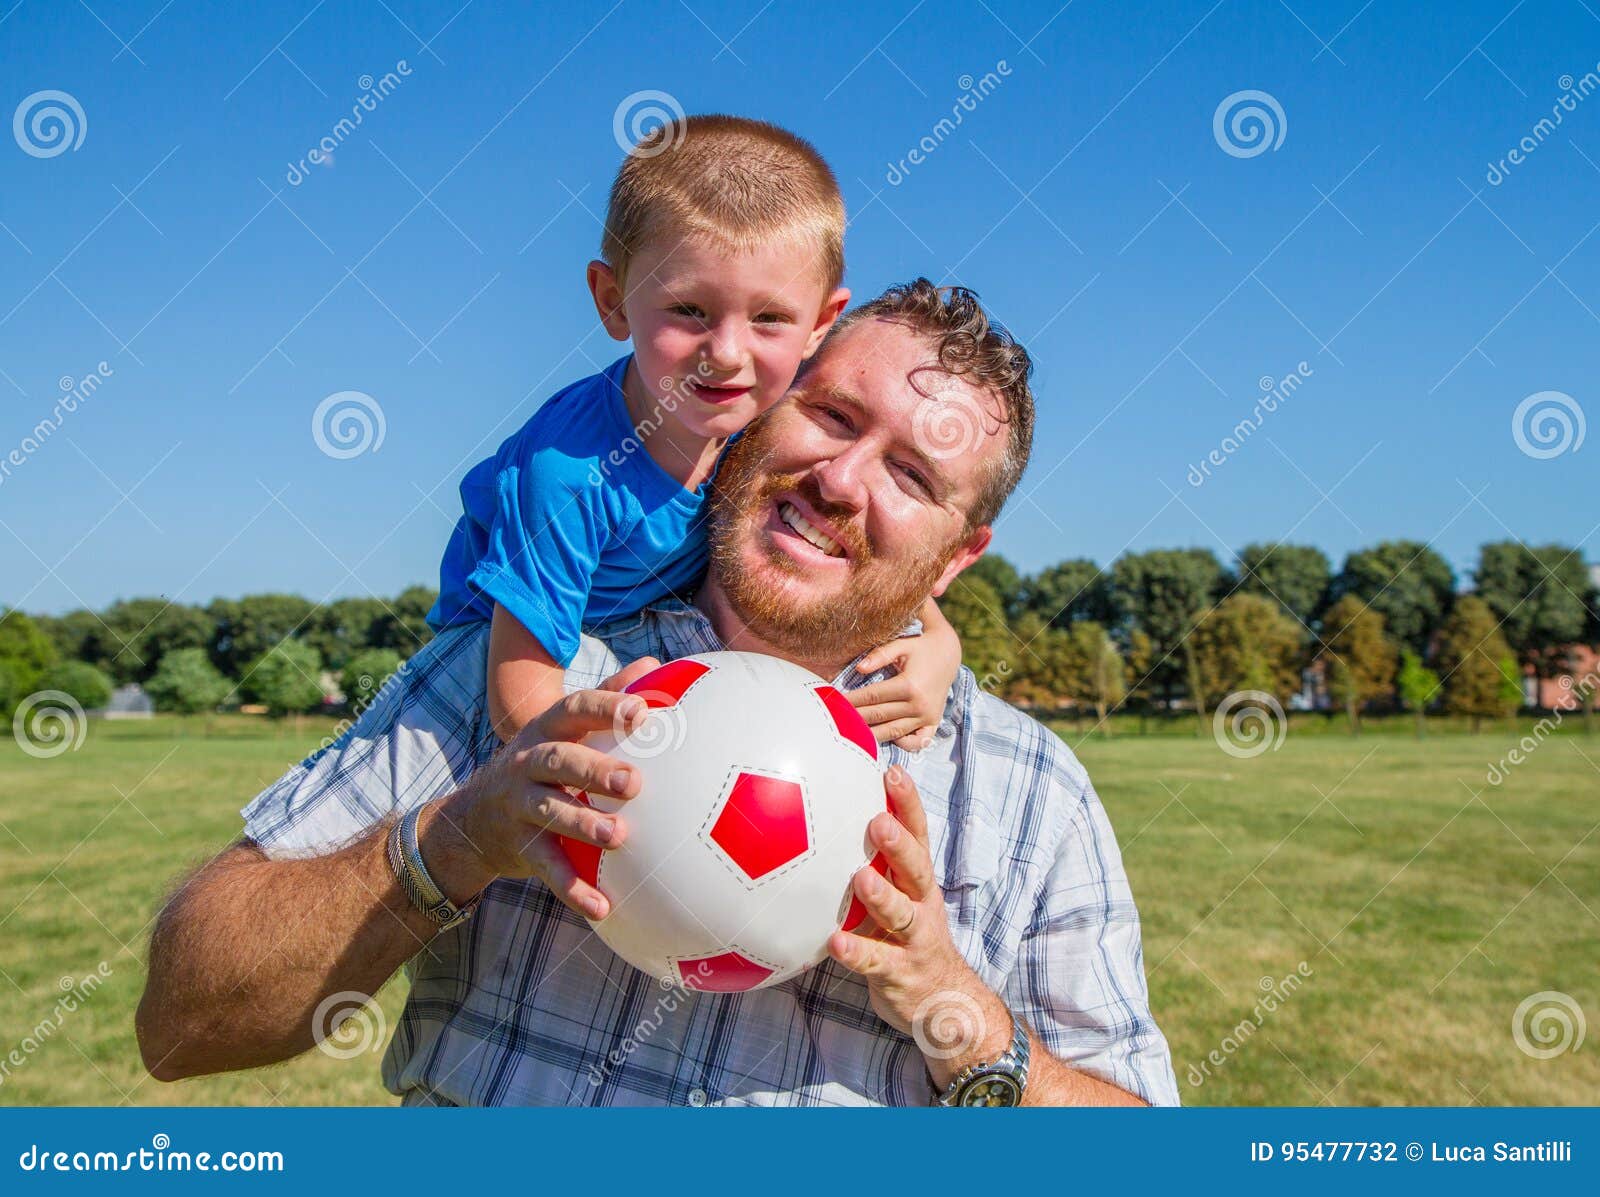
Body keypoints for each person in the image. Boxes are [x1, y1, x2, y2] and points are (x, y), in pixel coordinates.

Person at [136, 280, 1179, 1107]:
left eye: (912, 477)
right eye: (829, 414)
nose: (842, 480)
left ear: (958, 557)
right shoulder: (534, 674)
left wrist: (954, 1005)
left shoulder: (1030, 792)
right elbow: (181, 1026)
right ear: (758, 406)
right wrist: (457, 842)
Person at [430, 113, 958, 750]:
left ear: (821, 323)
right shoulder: (568, 472)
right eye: (688, 310)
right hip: (488, 662)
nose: (729, 353)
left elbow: (861, 551)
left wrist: (940, 644)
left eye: (769, 319)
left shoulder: (759, 417)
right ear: (613, 301)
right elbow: (520, 700)